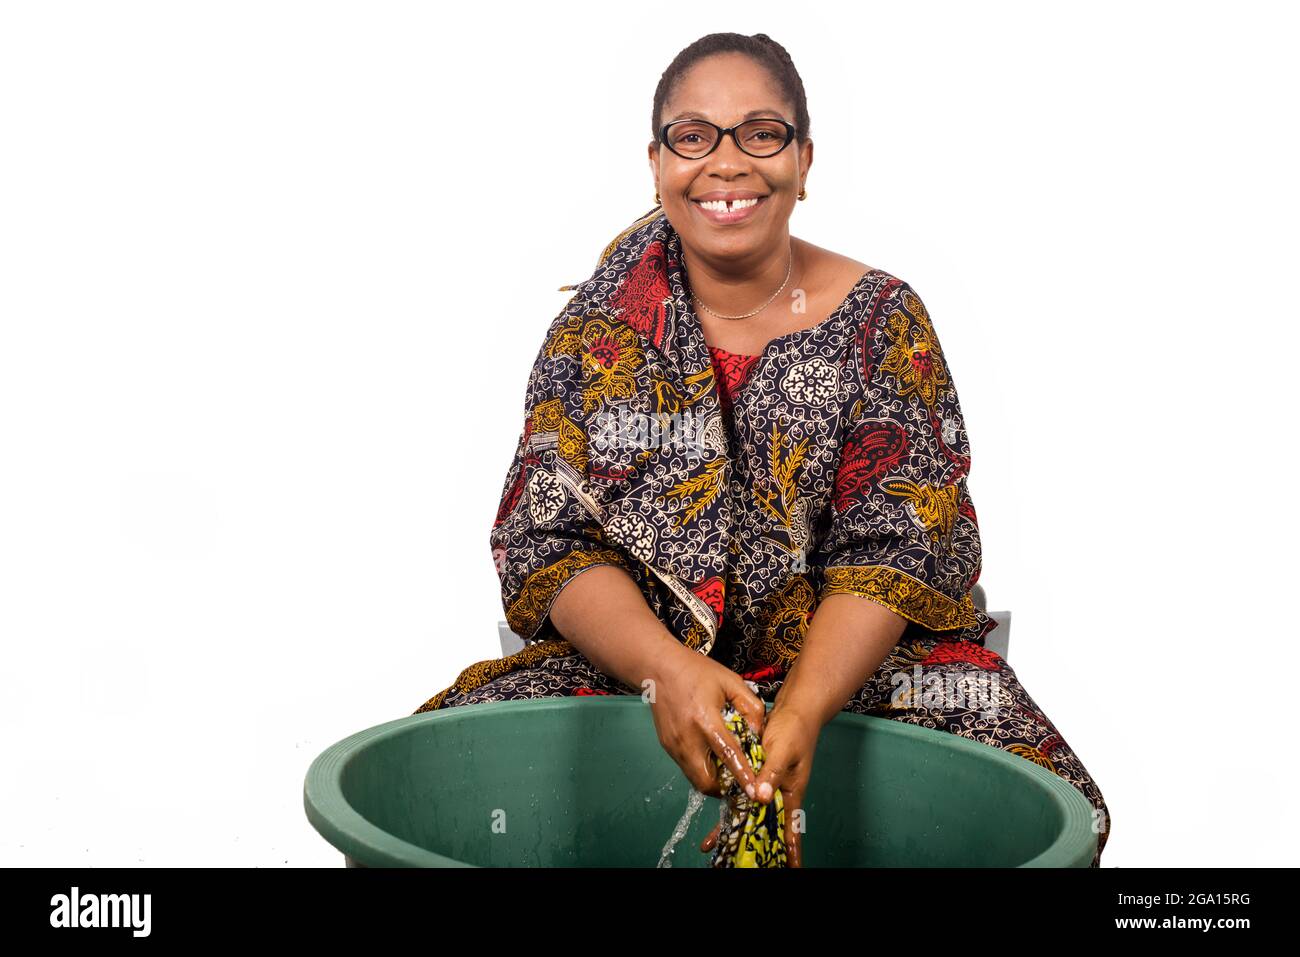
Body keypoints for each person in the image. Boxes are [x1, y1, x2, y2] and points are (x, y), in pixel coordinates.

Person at [411, 32, 1110, 868]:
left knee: (1049, 801)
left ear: (805, 160)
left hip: (861, 679)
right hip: (638, 668)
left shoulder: (882, 323)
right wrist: (666, 671)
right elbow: (548, 541)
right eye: (694, 135)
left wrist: (804, 710)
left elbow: (900, 548)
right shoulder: (598, 329)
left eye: (761, 132)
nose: (727, 162)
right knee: (438, 768)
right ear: (657, 160)